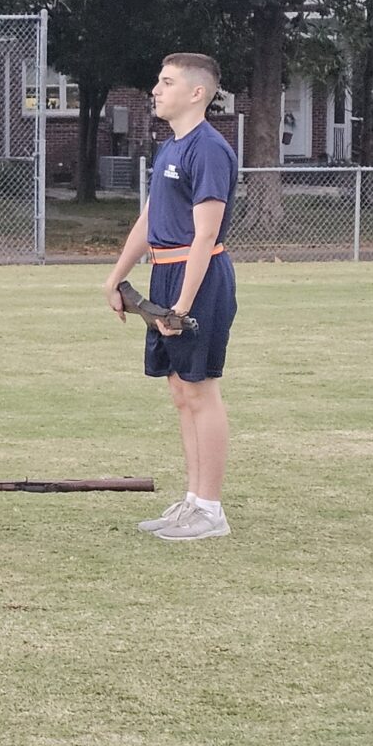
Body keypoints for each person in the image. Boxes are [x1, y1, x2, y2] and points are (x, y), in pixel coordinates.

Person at [101, 53, 236, 540]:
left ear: (197, 92)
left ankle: (211, 510)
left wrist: (181, 306)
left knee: (201, 390)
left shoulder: (209, 150)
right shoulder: (171, 147)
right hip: (165, 273)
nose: (155, 90)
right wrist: (116, 276)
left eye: (166, 82)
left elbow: (204, 236)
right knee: (180, 393)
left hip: (198, 278)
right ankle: (193, 501)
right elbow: (151, 216)